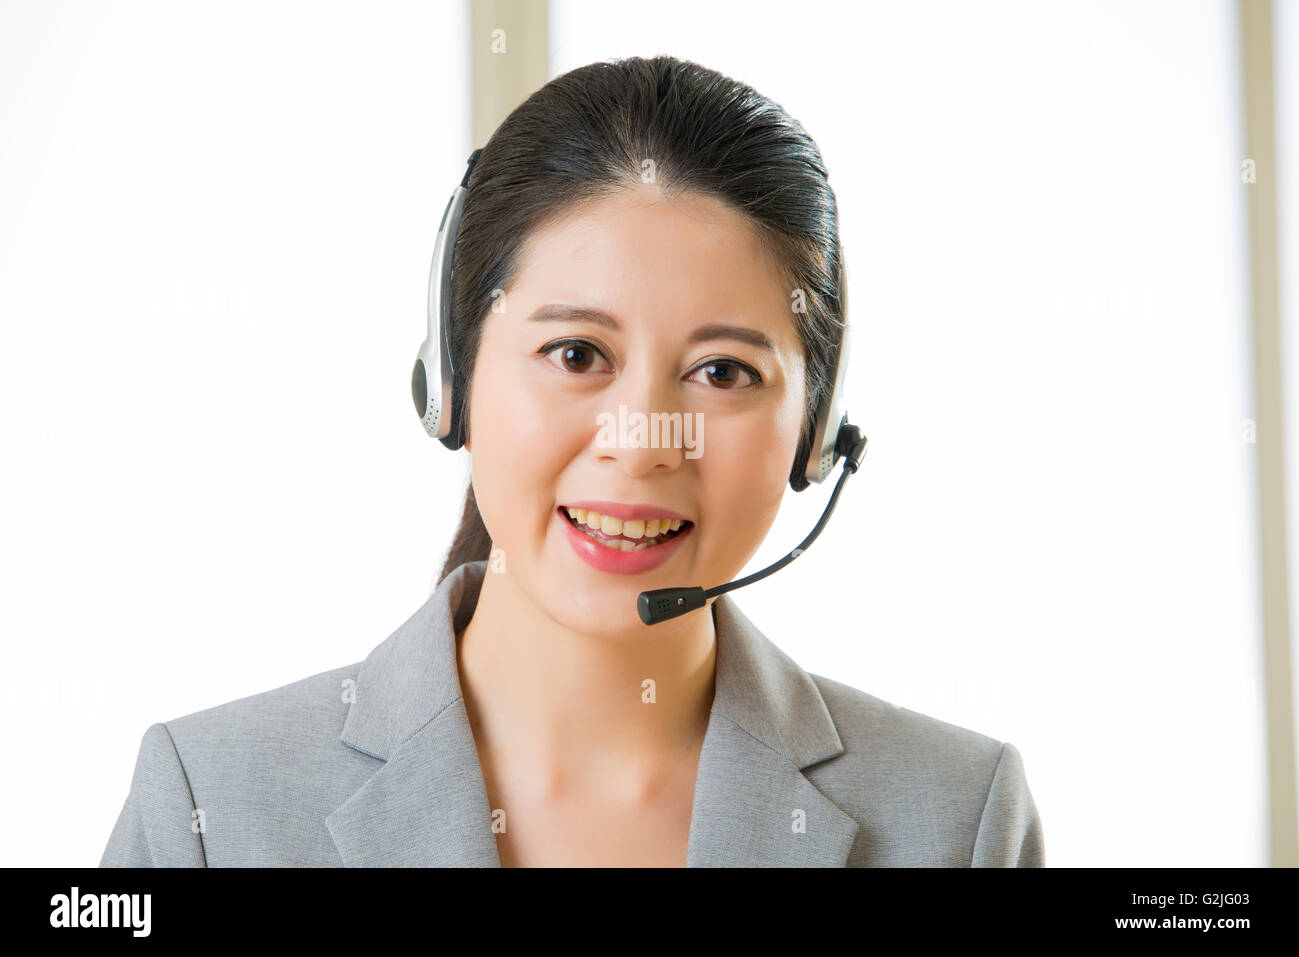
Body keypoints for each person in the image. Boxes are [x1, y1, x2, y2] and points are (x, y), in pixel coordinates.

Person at [100, 55, 1044, 867]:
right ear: (454, 379)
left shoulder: (959, 819)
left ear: (816, 428)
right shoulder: (207, 810)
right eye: (576, 355)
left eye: (722, 371)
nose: (638, 445)